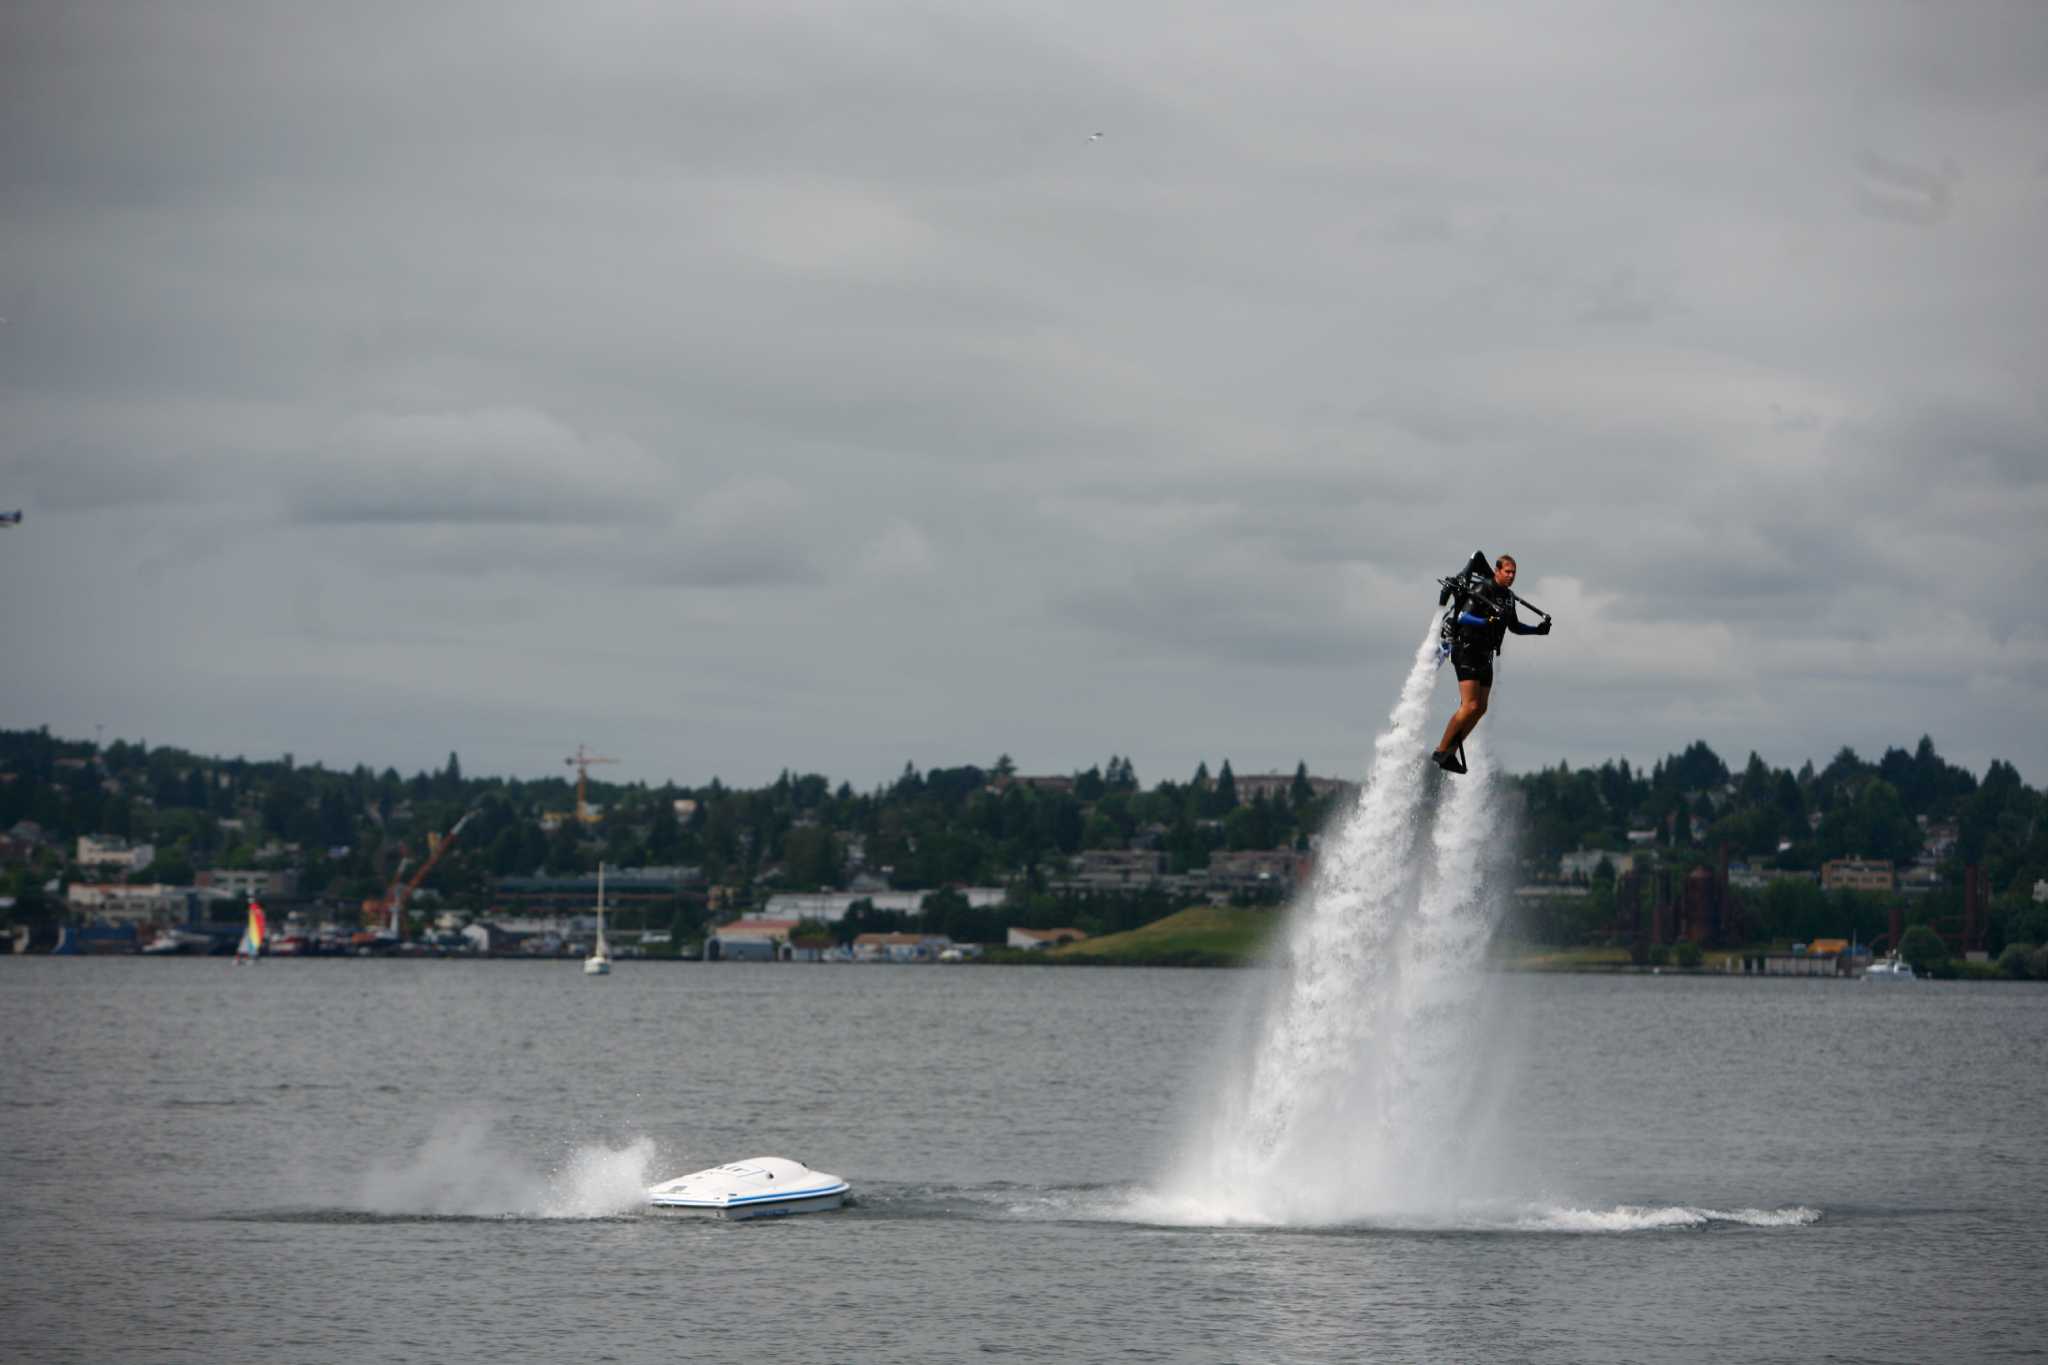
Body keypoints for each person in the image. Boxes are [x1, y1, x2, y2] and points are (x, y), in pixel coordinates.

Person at [1432, 552, 1549, 774]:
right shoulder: (1482, 589)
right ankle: (1441, 750)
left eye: (1514, 572)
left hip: (1486, 655)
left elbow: (1513, 626)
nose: (1511, 576)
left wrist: (1536, 630)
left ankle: (1450, 752)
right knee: (1470, 706)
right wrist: (1486, 621)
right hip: (1467, 651)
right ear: (1497, 571)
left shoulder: (1508, 597)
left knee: (1481, 708)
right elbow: (1462, 617)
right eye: (1508, 571)